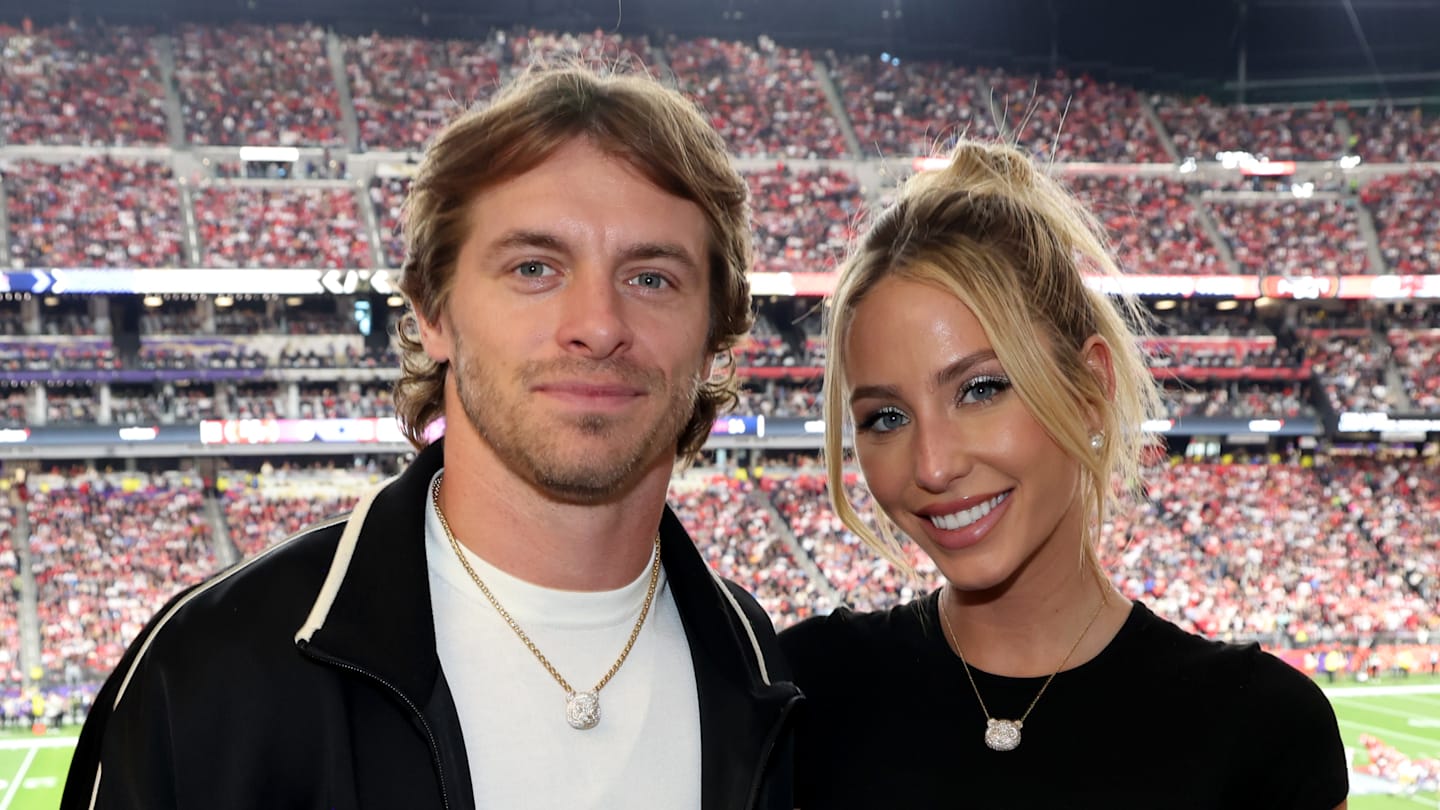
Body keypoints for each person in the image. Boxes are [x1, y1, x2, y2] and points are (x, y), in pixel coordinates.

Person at [63, 64, 801, 810]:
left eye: (652, 278)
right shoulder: (210, 668)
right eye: (535, 267)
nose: (599, 325)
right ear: (432, 313)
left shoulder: (765, 672)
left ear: (715, 335)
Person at [778, 139, 1349, 809]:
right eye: (885, 418)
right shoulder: (802, 692)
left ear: (1090, 392)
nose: (932, 465)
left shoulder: (1266, 732)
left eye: (981, 388)